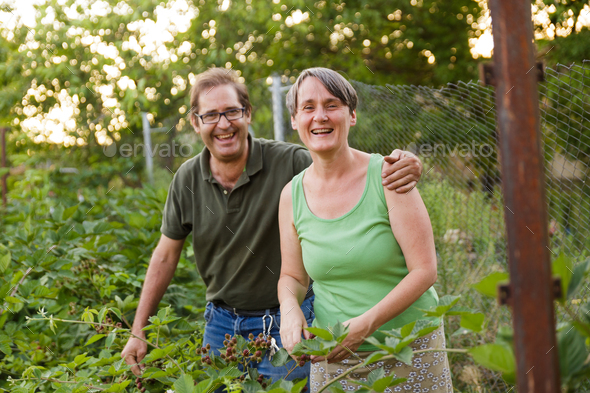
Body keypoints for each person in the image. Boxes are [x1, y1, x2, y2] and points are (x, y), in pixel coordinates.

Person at [121, 67, 424, 383]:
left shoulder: (290, 162)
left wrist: (407, 162)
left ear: (248, 114)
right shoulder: (186, 179)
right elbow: (165, 256)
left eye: (232, 112)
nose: (223, 124)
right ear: (196, 123)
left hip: (290, 319)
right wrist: (139, 328)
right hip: (221, 324)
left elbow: (342, 163)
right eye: (210, 115)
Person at [277, 67, 452, 393]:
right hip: (335, 355)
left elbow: (425, 270)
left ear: (351, 115)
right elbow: (293, 277)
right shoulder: (291, 195)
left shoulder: (388, 176)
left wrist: (364, 326)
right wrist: (289, 311)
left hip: (409, 347)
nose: (320, 117)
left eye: (332, 105)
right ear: (294, 120)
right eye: (308, 107)